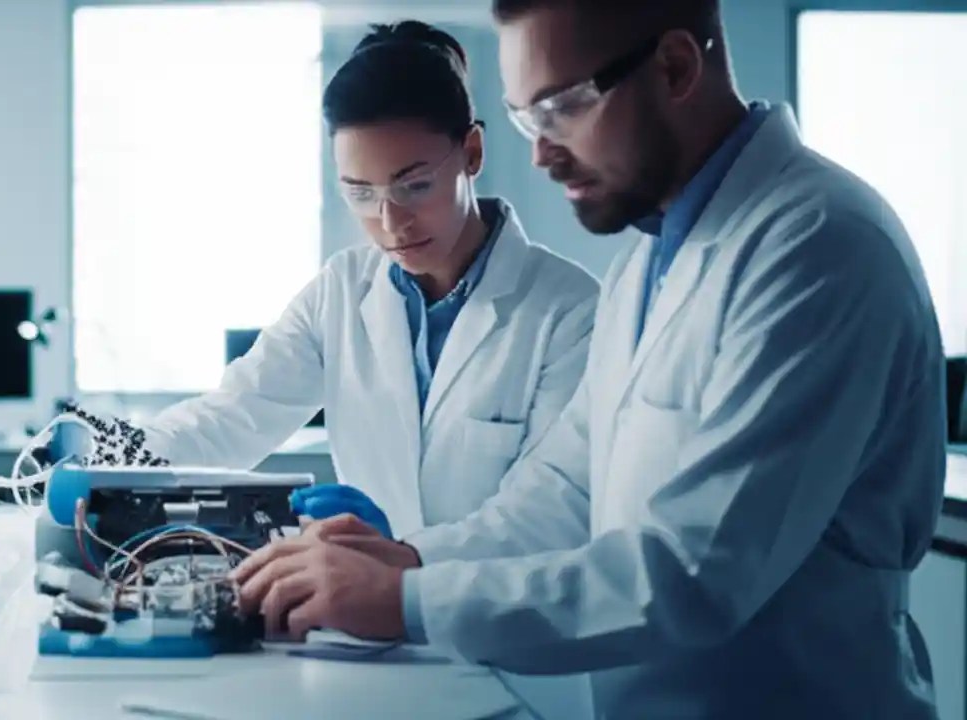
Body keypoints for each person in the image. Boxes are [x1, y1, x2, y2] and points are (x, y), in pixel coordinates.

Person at [231, 1, 946, 718]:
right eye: (527, 119)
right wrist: (408, 560)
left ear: (675, 67)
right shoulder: (648, 261)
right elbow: (562, 493)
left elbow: (694, 572)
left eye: (563, 108)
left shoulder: (817, 247)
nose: (540, 154)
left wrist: (406, 599)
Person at [126, 21, 598, 539]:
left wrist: (403, 561)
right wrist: (114, 463)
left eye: (414, 186)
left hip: (490, 592)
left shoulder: (570, 312)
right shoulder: (341, 291)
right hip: (358, 590)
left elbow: (546, 516)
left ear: (472, 153)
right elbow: (229, 418)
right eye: (361, 194)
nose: (391, 223)